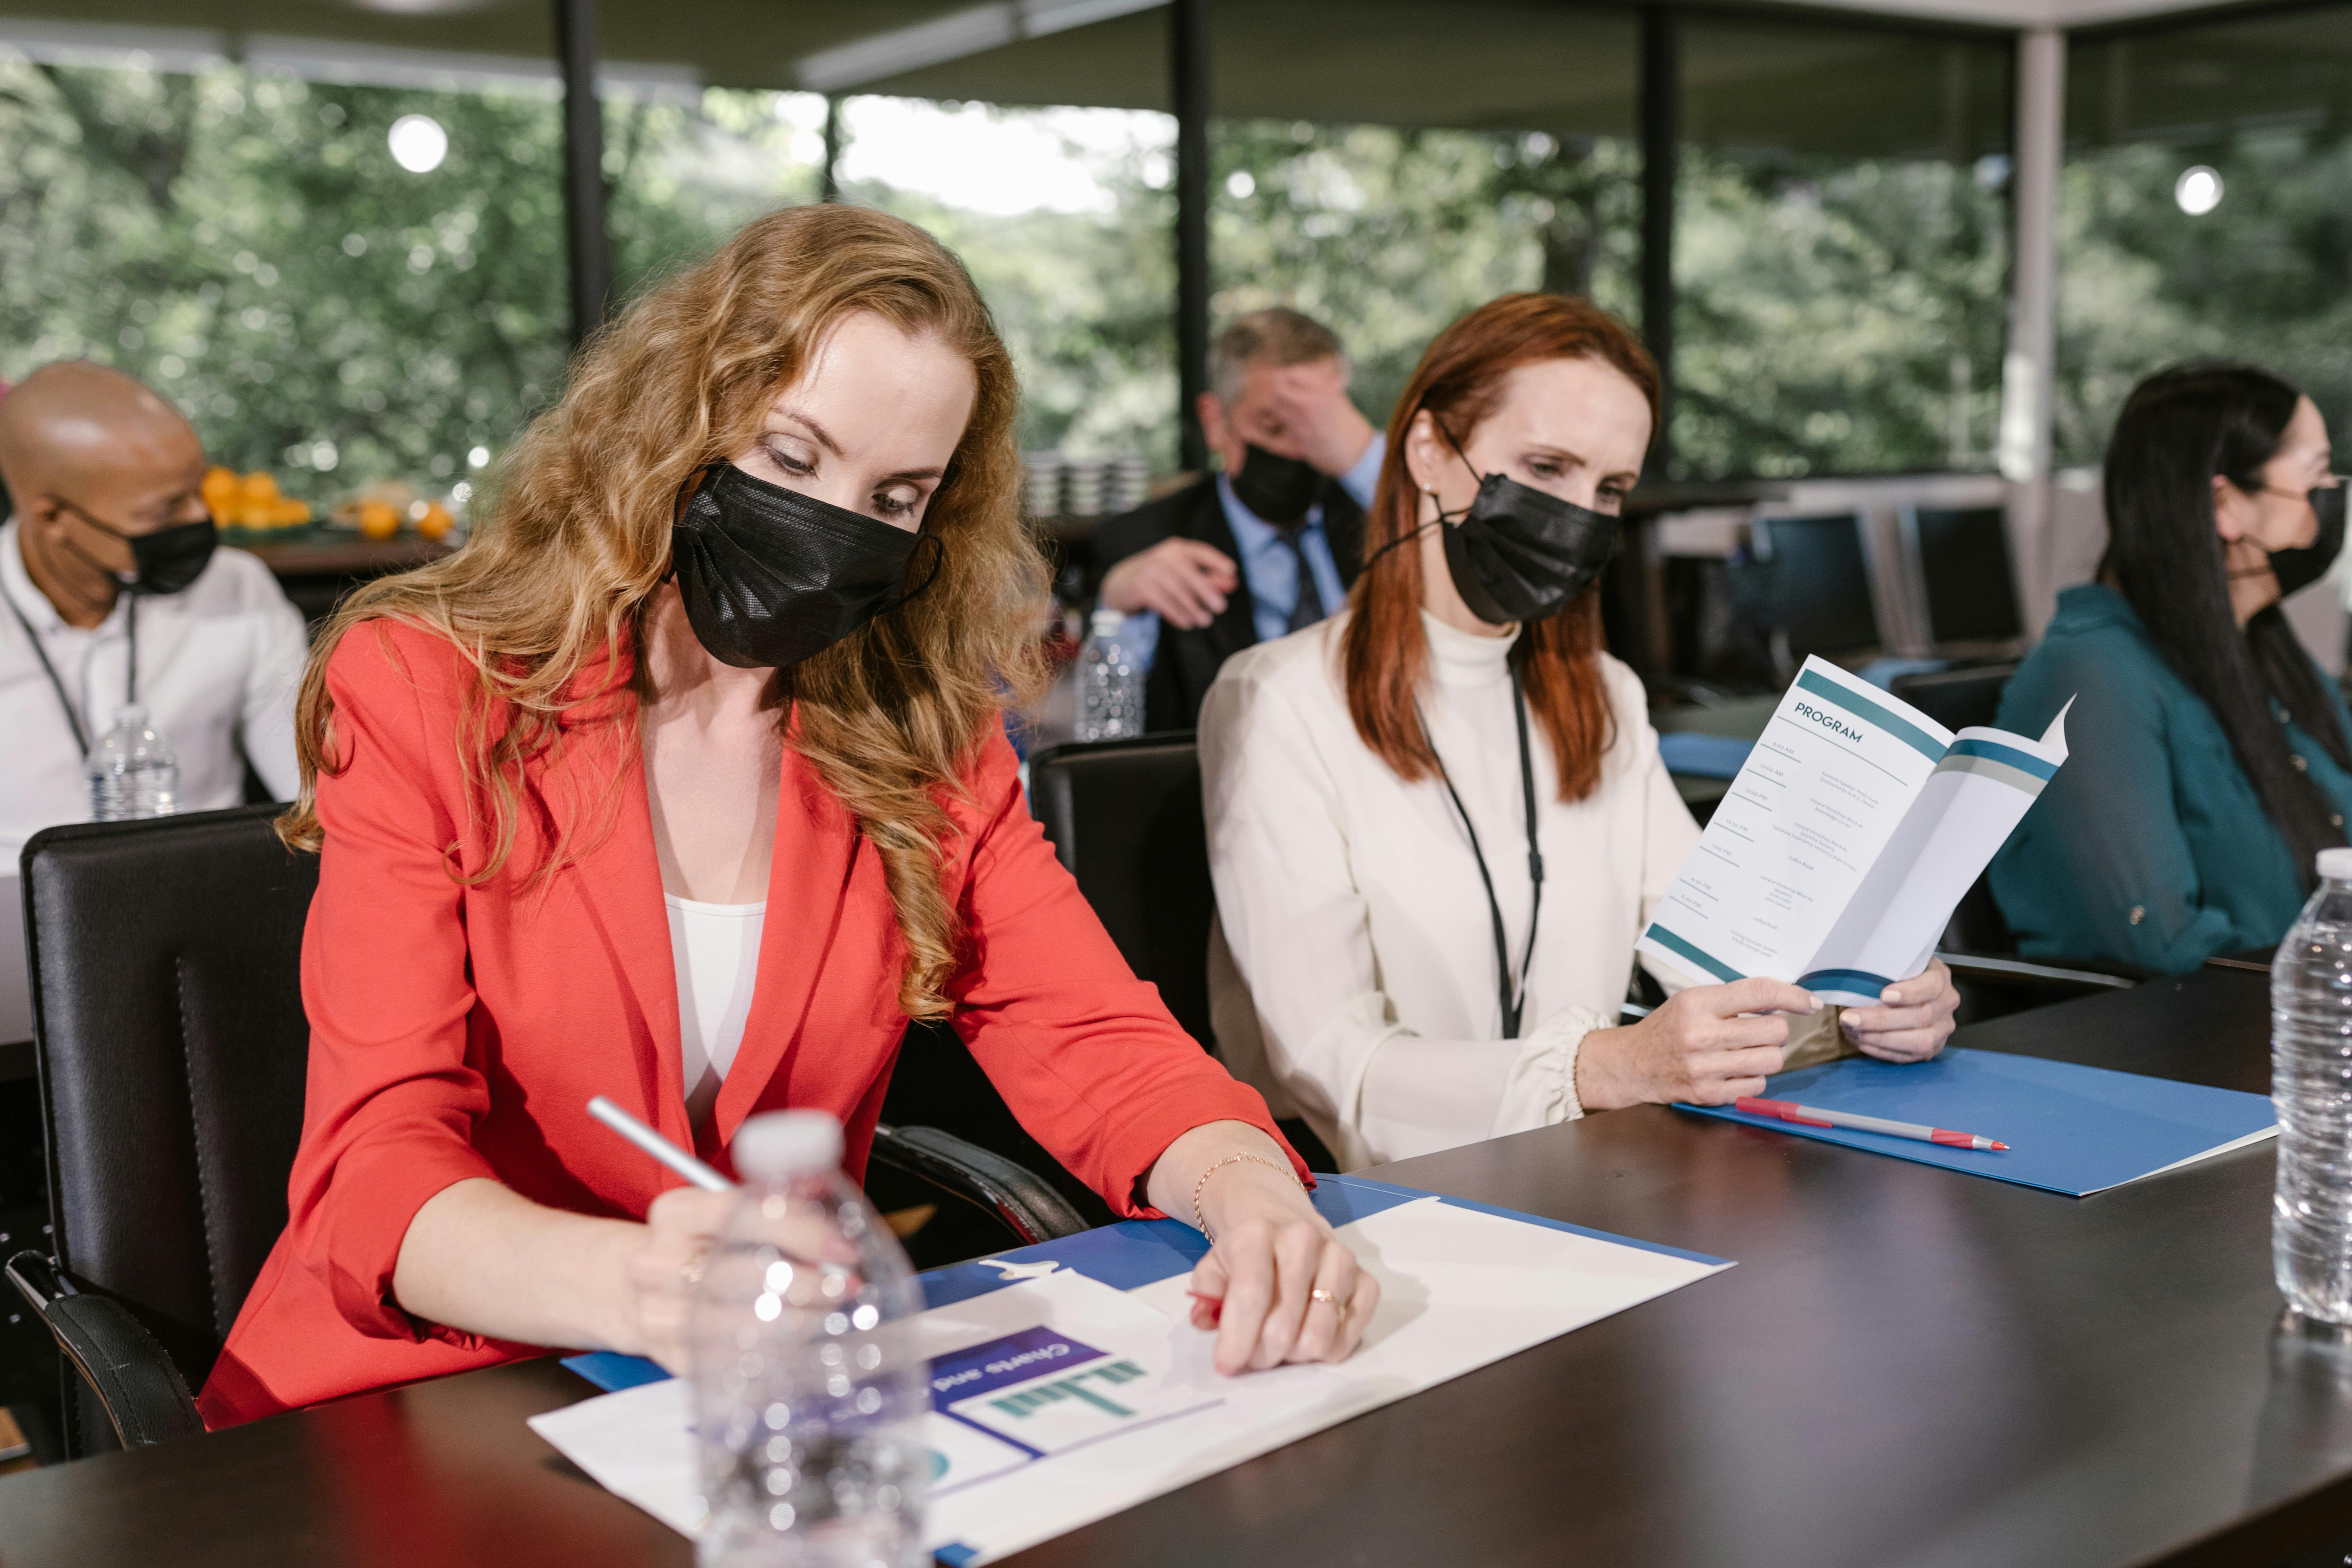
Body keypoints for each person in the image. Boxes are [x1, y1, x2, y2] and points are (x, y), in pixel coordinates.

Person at [196, 207, 1376, 1428]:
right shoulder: (429, 687)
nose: (835, 530)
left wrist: (1250, 1192)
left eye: (897, 494)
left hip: (741, 1407)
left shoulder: (923, 738)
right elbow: (376, 1164)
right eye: (793, 459)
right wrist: (642, 1288)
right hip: (412, 1402)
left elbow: (1092, 1035)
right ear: (678, 422)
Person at [1200, 294, 1960, 1171]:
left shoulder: (1604, 695)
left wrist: (1861, 1010)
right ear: (1428, 450)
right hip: (1366, 1203)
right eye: (1547, 466)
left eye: (1609, 489)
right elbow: (1330, 1063)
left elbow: (1720, 970)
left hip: (1586, 1181)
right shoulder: (1280, 699)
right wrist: (1604, 1067)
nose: (1577, 515)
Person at [1993, 362, 2352, 972]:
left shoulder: (2266, 654)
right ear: (2224, 505)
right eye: (2316, 476)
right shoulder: (2091, 679)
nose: (2332, 500)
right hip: (2220, 1022)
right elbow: (2159, 946)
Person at [0, 361, 306, 859]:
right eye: (163, 511)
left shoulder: (237, 587)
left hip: (207, 883)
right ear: (55, 518)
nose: (200, 517)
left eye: (199, 489)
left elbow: (313, 787)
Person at [1093, 307, 1384, 731]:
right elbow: (1107, 732)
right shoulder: (1144, 541)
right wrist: (1118, 614)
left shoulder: (1383, 517)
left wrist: (1365, 457)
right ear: (1216, 422)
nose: (1295, 449)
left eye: (1318, 427)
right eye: (1274, 427)